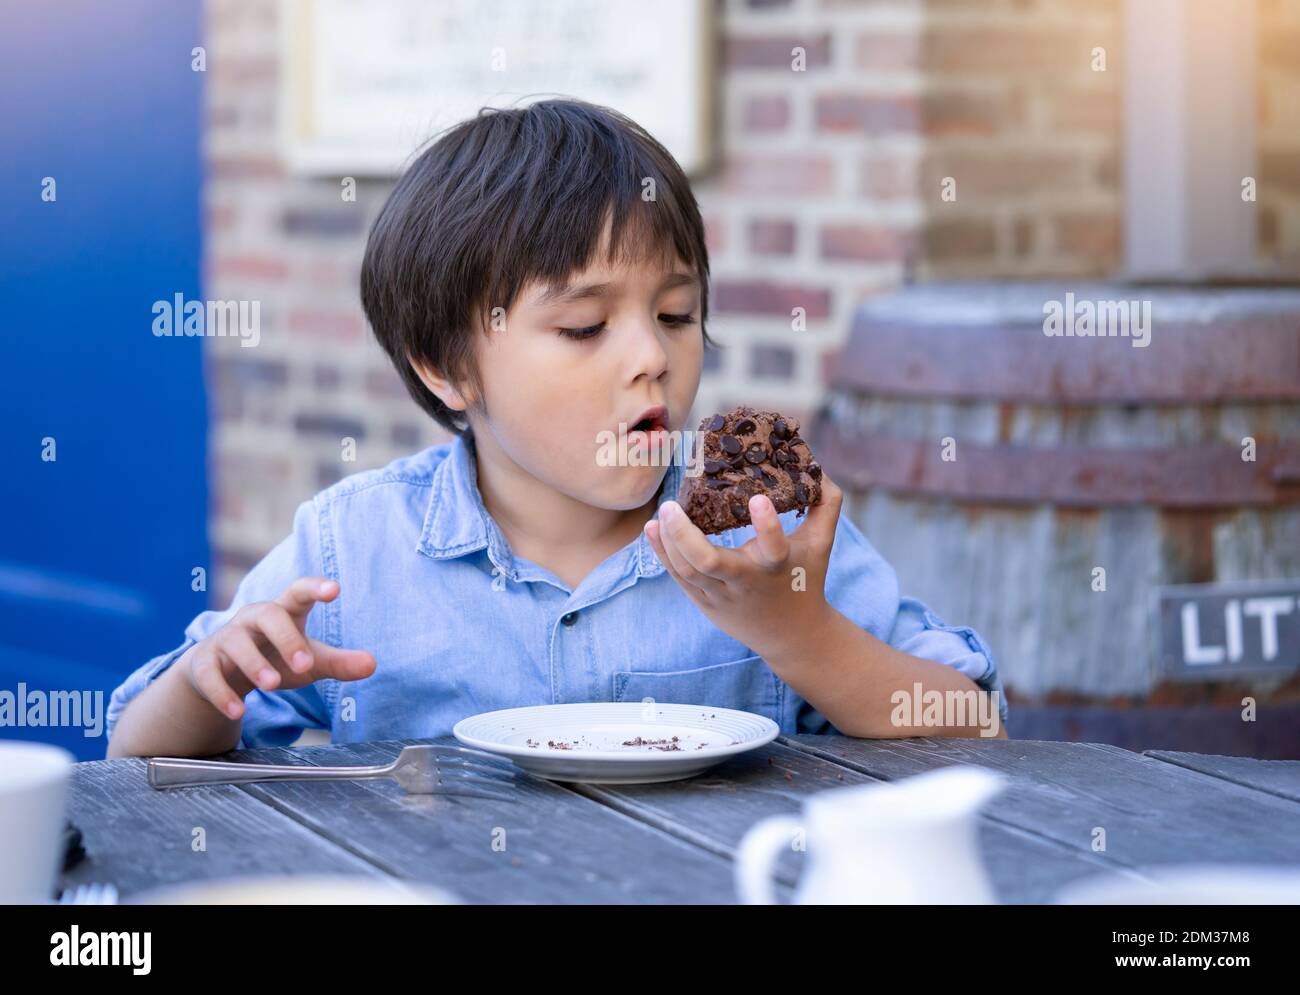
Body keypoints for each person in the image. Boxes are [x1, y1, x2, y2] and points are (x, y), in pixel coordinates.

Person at [106, 99, 1007, 759]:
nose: (650, 356)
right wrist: (207, 682)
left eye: (678, 313)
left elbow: (976, 721)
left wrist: (795, 629)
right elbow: (136, 759)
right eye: (584, 327)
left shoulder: (768, 545)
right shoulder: (354, 550)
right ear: (448, 365)